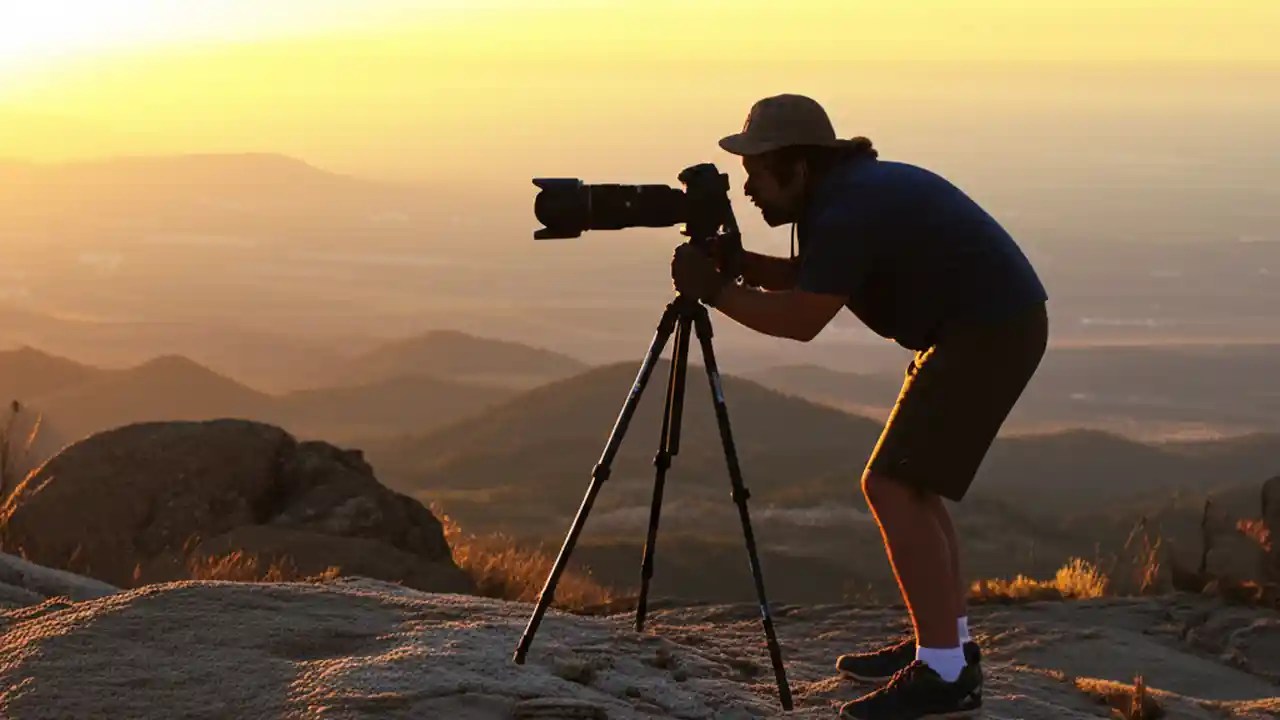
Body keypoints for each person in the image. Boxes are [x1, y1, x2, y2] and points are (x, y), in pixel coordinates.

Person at [670, 94, 1048, 720]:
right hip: (989, 323)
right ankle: (948, 645)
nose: (749, 190)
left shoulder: (846, 207)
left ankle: (945, 673)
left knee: (892, 485)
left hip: (984, 331)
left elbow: (802, 320)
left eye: (757, 174)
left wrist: (715, 291)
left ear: (795, 167)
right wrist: (742, 268)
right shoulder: (847, 194)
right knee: (913, 485)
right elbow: (816, 276)